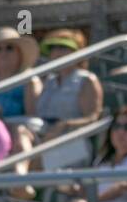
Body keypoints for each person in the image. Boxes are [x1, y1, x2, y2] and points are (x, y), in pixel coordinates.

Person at [32, 30, 103, 170]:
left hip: (73, 143)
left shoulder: (86, 80)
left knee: (31, 165)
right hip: (44, 140)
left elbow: (93, 118)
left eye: (63, 48)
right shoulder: (48, 82)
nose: (57, 52)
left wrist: (64, 126)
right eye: (53, 48)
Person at [0, 27, 42, 158]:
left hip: (19, 132)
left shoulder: (29, 81)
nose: (3, 53)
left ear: (19, 53)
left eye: (9, 48)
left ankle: (20, 175)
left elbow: (32, 116)